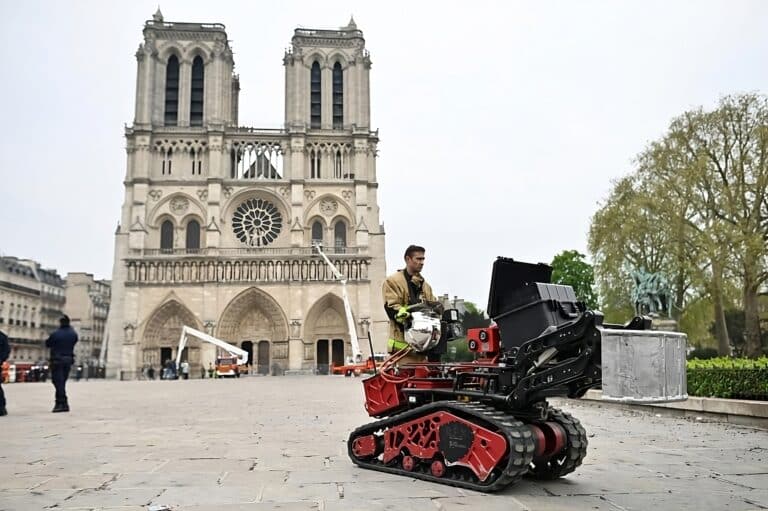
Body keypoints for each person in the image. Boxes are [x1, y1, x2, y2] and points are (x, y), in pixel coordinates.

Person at [382, 245, 437, 364]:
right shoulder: (393, 281)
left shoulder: (426, 286)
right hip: (402, 351)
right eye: (418, 259)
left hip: (422, 350)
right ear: (408, 259)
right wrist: (403, 313)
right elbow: (392, 307)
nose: (422, 262)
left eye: (423, 259)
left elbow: (434, 308)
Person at [46, 315, 78, 413]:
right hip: (68, 359)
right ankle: (62, 403)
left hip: (57, 360)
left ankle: (61, 403)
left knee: (58, 382)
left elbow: (48, 343)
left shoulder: (56, 334)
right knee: (62, 381)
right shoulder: (73, 334)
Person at [0, 329, 10, 416]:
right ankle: (1, 408)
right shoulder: (2, 336)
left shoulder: (2, 336)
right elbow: (6, 351)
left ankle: (1, 408)